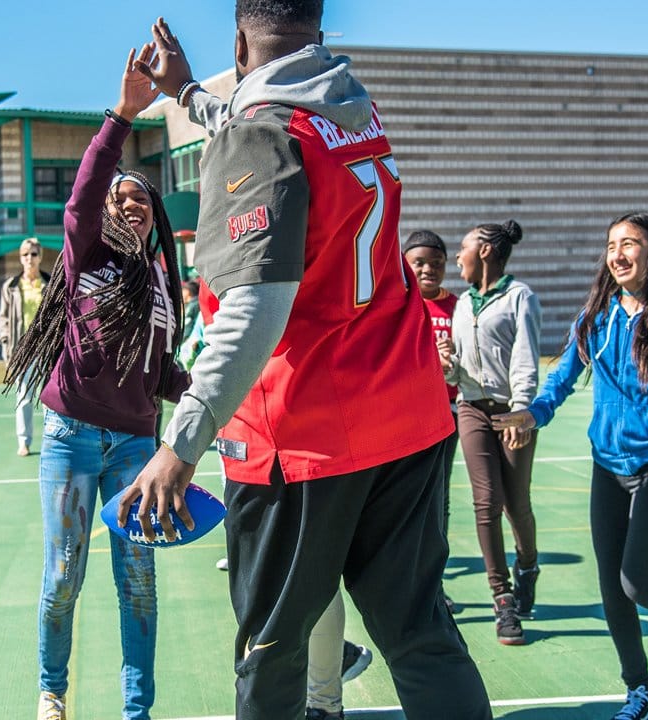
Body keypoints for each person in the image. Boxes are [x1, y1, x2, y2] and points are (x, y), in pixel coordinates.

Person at [119, 6, 492, 719]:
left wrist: (181, 443)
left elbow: (256, 309)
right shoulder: (349, 104)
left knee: (272, 653)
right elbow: (256, 116)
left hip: (305, 438)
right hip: (406, 417)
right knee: (421, 636)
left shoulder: (259, 134)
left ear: (238, 39)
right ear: (319, 34)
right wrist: (188, 92)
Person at [492, 212, 648, 720]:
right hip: (606, 469)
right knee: (614, 591)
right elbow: (559, 384)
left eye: (630, 243)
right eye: (612, 243)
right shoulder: (595, 318)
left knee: (638, 581)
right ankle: (641, 693)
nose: (617, 252)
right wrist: (530, 415)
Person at [1, 45, 189, 720]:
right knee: (62, 577)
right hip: (72, 436)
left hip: (138, 446)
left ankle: (137, 711)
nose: (129, 204)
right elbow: (83, 196)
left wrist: (204, 393)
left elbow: (159, 368)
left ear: (154, 214)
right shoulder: (90, 253)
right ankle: (53, 692)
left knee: (138, 584)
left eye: (140, 198)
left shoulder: (163, 281)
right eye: (120, 197)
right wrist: (123, 115)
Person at [442, 219, 542, 646]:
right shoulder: (464, 303)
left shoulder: (521, 298)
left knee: (516, 505)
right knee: (487, 500)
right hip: (471, 409)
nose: (458, 257)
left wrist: (521, 409)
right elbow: (461, 366)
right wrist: (449, 364)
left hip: (511, 413)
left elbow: (525, 356)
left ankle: (529, 565)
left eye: (463, 249)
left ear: (484, 251)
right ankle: (502, 598)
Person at [403, 229, 461, 615]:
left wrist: (454, 361)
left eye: (436, 263)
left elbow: (468, 366)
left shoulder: (460, 307)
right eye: (419, 262)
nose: (429, 269)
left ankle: (433, 587)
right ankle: (403, 584)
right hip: (403, 418)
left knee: (438, 503)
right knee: (405, 505)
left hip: (446, 417)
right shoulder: (396, 305)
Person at [0, 237, 51, 456]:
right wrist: (6, 344)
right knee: (24, 396)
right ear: (20, 258)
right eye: (25, 254)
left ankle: (51, 441)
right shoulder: (10, 286)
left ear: (40, 257)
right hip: (23, 351)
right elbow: (3, 320)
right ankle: (24, 441)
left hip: (47, 349)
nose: (29, 258)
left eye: (34, 254)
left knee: (50, 398)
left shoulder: (50, 283)